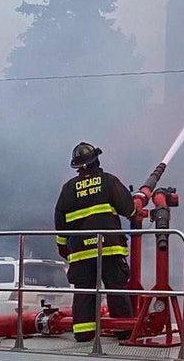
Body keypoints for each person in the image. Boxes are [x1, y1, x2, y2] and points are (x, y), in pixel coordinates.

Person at [54, 142, 137, 342]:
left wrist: (63, 247)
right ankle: (124, 330)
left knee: (84, 292)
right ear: (96, 161)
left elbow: (60, 222)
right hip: (109, 248)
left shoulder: (68, 189)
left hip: (81, 252)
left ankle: (83, 333)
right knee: (115, 288)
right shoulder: (109, 182)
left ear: (77, 166)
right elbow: (130, 210)